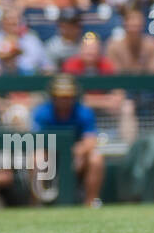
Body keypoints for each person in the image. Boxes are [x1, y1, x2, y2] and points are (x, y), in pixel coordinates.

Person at [31, 74, 104, 208]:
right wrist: (61, 154)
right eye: (60, 97)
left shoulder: (84, 112)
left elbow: (91, 140)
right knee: (37, 157)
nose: (64, 100)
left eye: (68, 96)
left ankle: (91, 202)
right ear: (53, 96)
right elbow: (36, 141)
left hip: (77, 157)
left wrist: (76, 153)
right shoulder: (41, 112)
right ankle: (37, 203)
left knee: (96, 158)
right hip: (50, 156)